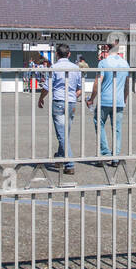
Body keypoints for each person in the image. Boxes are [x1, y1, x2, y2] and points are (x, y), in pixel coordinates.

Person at [38, 44, 83, 173]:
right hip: (71, 102)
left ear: (57, 54)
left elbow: (47, 86)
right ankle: (59, 158)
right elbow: (79, 89)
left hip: (58, 101)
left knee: (62, 134)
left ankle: (69, 165)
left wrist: (41, 98)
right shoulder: (76, 68)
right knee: (65, 133)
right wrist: (73, 95)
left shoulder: (54, 67)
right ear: (69, 54)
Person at [87, 40, 129, 164]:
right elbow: (127, 84)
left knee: (99, 124)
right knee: (117, 129)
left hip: (105, 100)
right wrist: (125, 97)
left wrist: (91, 98)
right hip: (119, 100)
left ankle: (105, 153)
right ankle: (115, 157)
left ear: (106, 48)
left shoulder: (103, 63)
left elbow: (97, 82)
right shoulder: (125, 64)